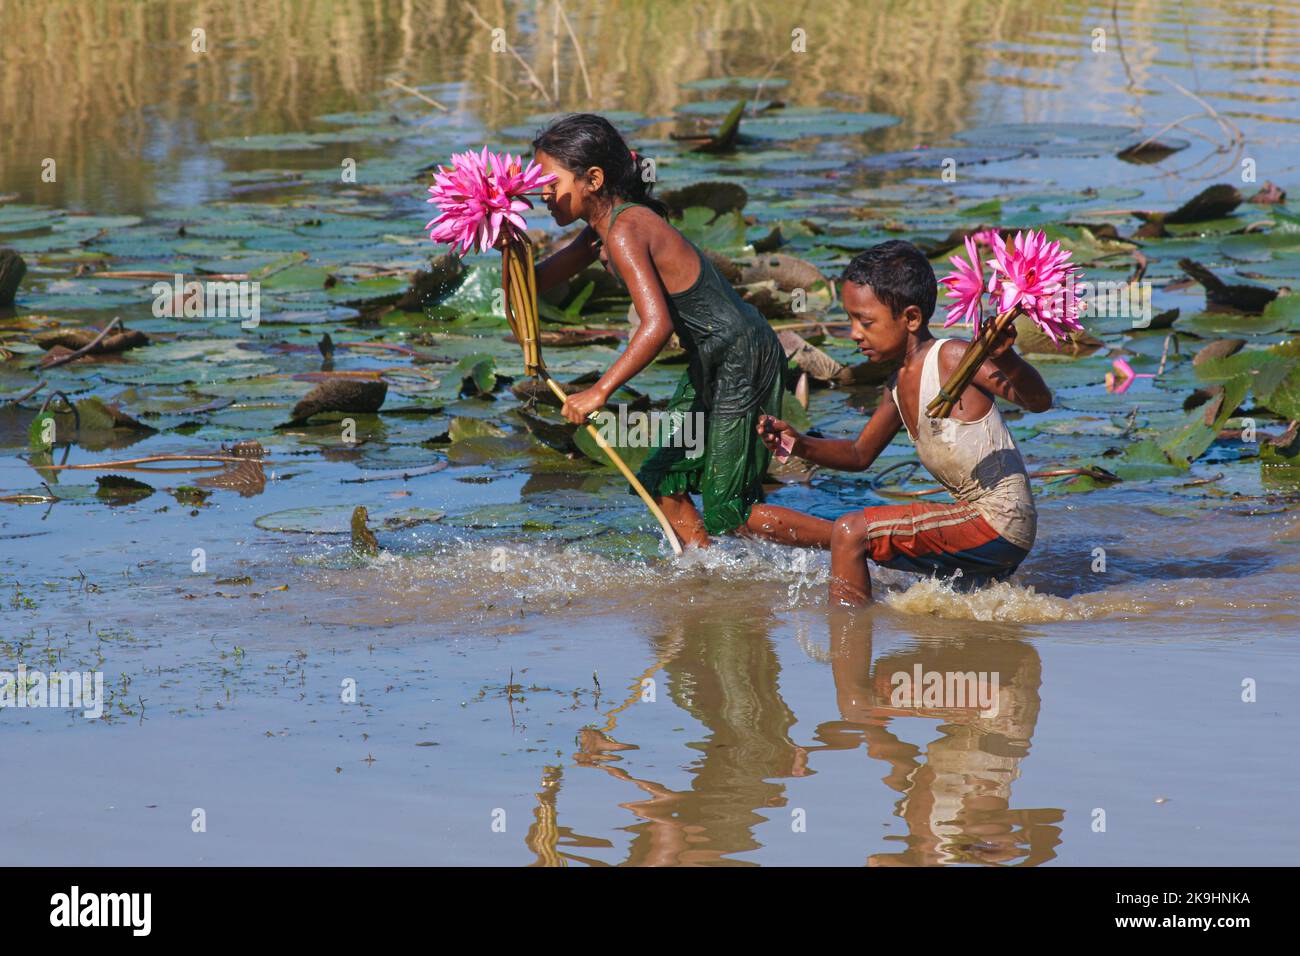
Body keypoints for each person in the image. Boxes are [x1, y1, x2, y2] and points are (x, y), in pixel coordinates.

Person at [529, 113, 831, 550]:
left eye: (550, 183)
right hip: (713, 355)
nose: (542, 195)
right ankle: (704, 573)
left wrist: (600, 391)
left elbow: (656, 326)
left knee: (731, 512)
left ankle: (850, 541)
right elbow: (531, 283)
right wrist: (502, 230)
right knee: (660, 478)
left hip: (741, 354)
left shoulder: (625, 230)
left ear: (592, 179)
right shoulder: (598, 234)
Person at [758, 240, 1051, 606]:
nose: (854, 333)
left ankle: (848, 638)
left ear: (911, 318)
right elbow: (858, 453)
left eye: (865, 321)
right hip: (973, 527)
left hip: (999, 522)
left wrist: (1005, 359)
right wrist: (799, 443)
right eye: (850, 320)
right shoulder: (896, 384)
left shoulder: (953, 357)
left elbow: (1039, 401)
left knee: (851, 532)